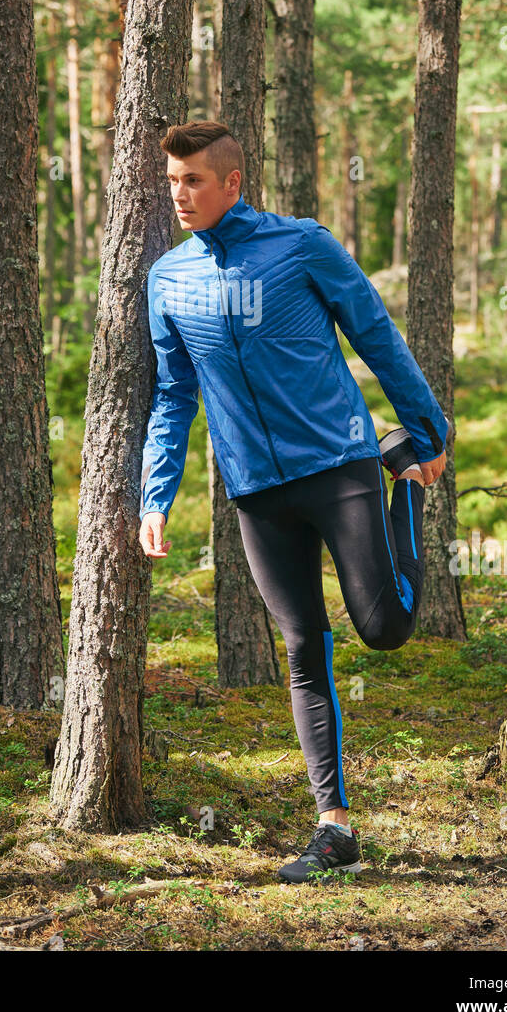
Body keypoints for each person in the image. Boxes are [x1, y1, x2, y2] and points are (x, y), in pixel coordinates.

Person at [138, 120, 450, 884]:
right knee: (303, 650)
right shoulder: (168, 278)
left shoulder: (300, 245)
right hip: (254, 490)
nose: (178, 195)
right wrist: (155, 493)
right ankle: (332, 827)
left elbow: (372, 331)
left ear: (232, 183)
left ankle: (402, 486)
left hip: (340, 464)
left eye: (193, 181)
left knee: (383, 629)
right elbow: (173, 394)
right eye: (171, 180)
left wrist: (425, 429)